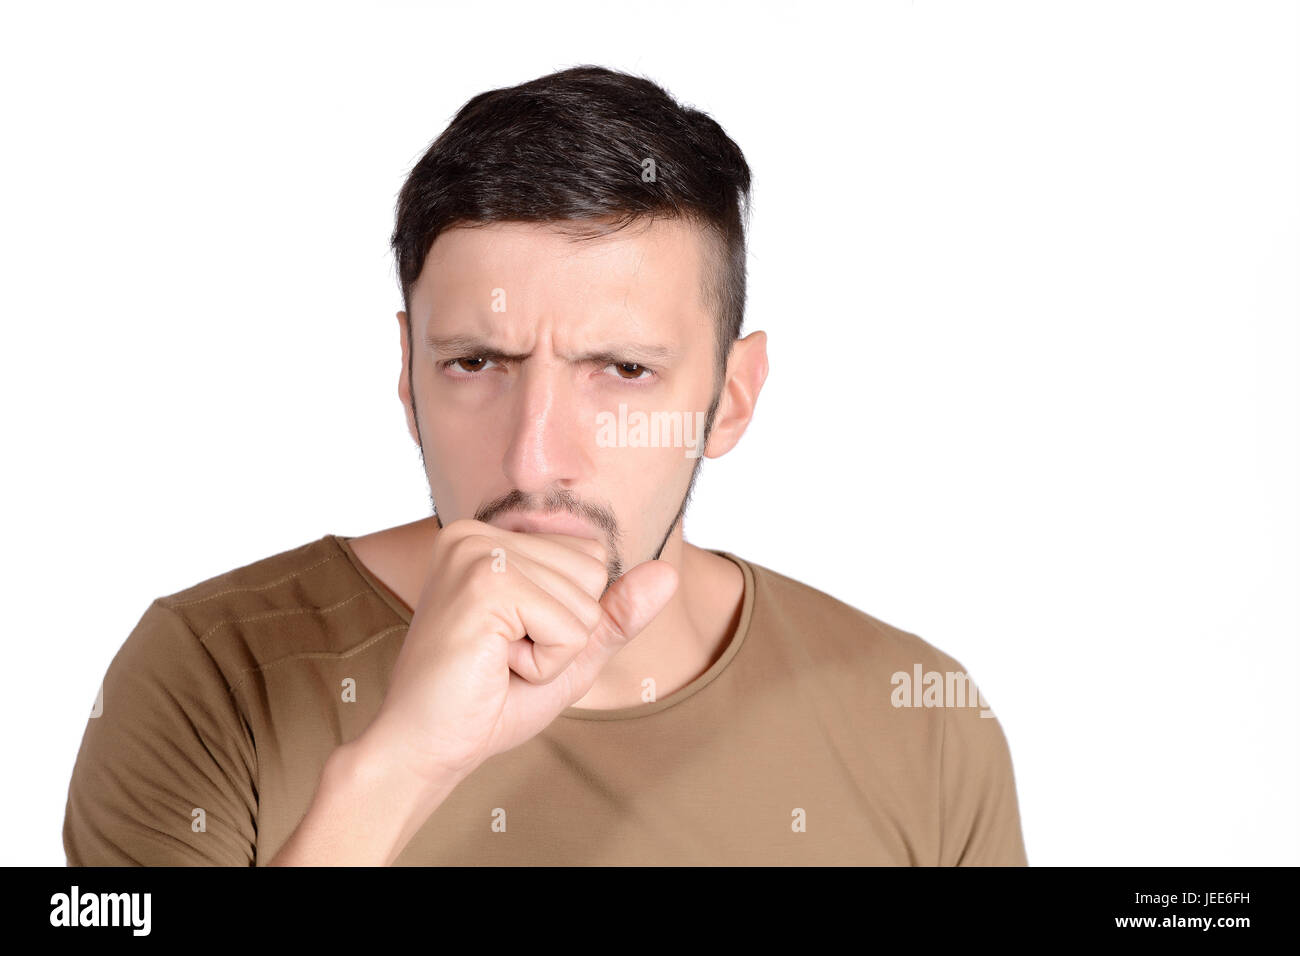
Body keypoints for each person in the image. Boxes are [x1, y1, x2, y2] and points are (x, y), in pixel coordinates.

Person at [63, 65, 1028, 866]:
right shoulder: (209, 677)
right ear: (408, 375)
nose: (535, 458)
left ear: (730, 398)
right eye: (476, 363)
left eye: (621, 370)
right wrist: (399, 767)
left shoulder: (921, 722)